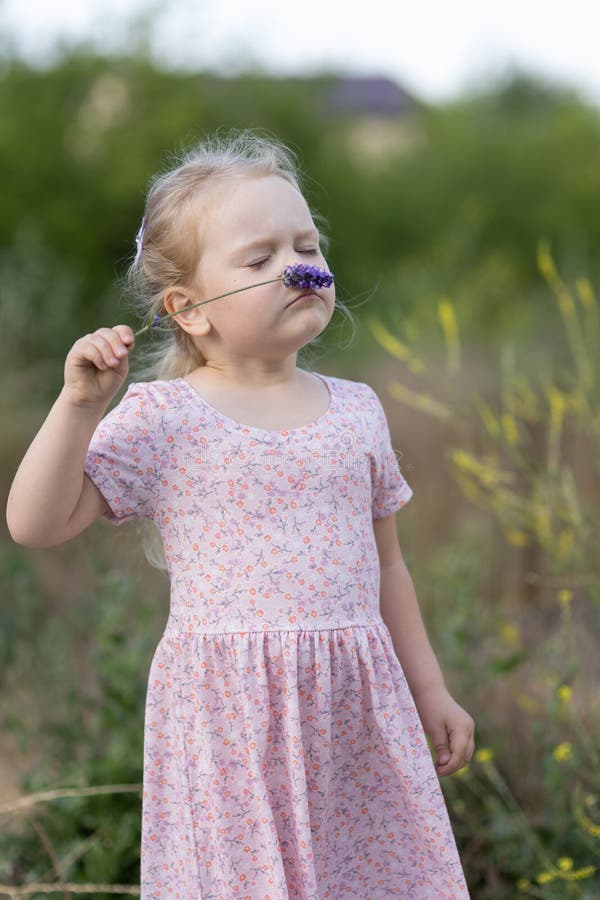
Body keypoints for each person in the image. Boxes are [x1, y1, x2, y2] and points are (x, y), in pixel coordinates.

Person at [6, 129, 474, 898]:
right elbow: (36, 523)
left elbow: (389, 564)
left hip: (353, 711)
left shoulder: (356, 411)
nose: (299, 266)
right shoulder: (163, 418)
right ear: (189, 310)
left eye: (307, 244)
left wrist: (431, 691)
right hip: (232, 726)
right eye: (259, 259)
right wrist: (78, 407)